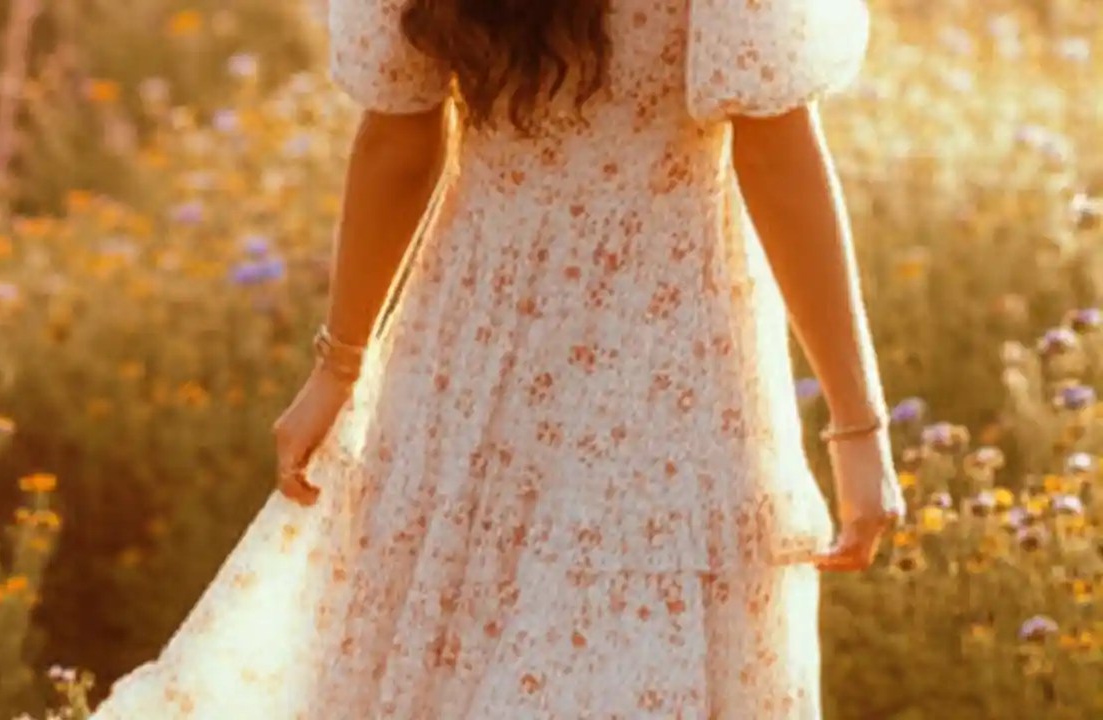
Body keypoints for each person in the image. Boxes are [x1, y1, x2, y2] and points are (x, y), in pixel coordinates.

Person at [90, 0, 905, 717]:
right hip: (665, 357)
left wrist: (340, 366)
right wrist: (858, 429)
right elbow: (774, 152)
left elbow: (399, 140)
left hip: (468, 345)